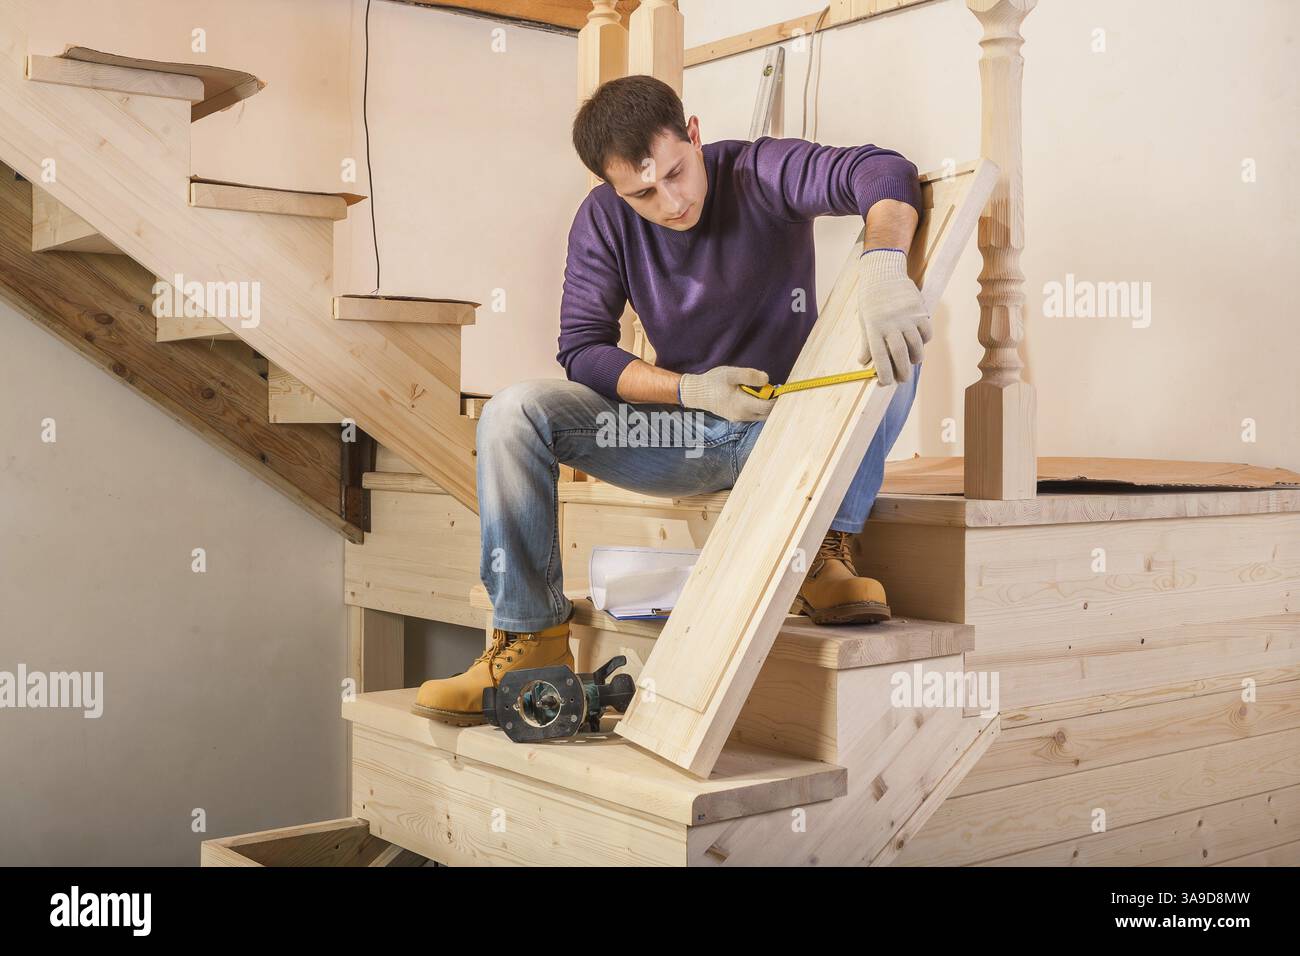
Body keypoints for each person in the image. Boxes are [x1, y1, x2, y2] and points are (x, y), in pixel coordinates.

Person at [413, 75, 929, 725]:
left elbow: (882, 170)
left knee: (898, 331)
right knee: (513, 412)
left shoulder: (758, 170)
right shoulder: (603, 217)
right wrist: (689, 389)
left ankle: (824, 548)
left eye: (677, 174)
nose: (670, 201)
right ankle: (532, 641)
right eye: (642, 193)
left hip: (790, 425)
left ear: (692, 135)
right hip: (678, 435)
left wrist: (885, 264)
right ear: (611, 186)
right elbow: (583, 350)